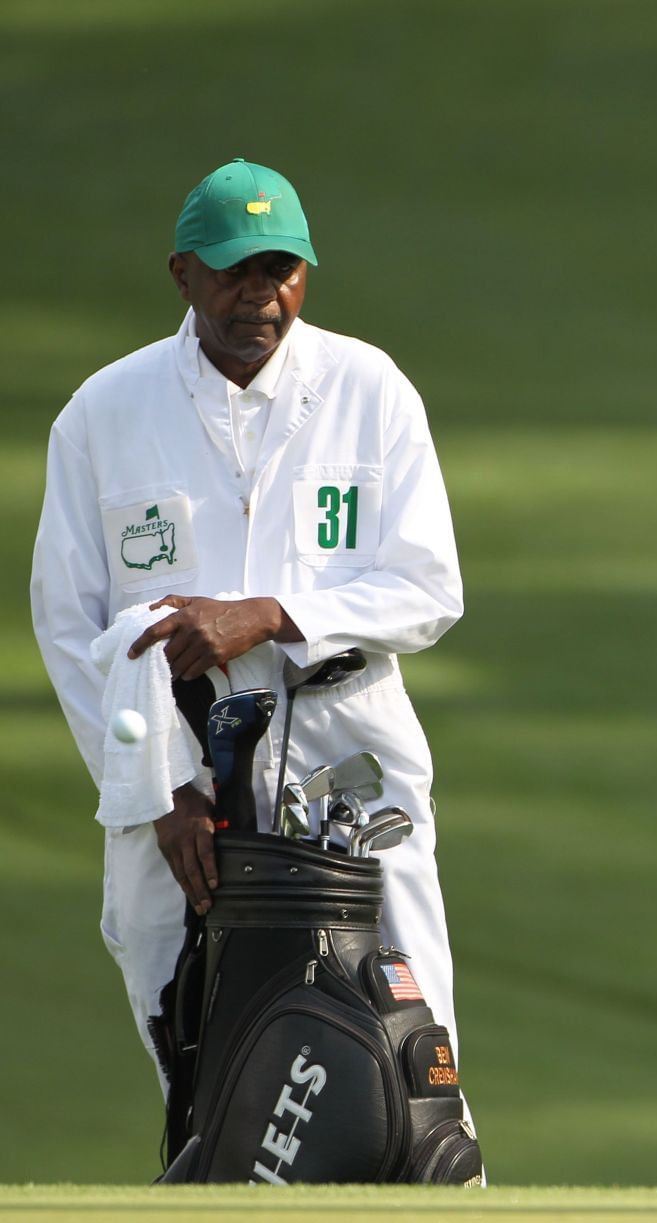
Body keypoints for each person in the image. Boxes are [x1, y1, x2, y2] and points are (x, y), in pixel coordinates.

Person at [29, 159, 473, 1138]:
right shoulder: (105, 412)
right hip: (177, 752)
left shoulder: (369, 389)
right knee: (182, 1012)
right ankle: (219, 1180)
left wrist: (270, 613)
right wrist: (158, 790)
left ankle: (439, 1175)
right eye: (234, 270)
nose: (260, 294)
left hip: (345, 734)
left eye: (281, 269)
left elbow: (428, 588)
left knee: (407, 1009)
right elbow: (68, 623)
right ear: (183, 273)